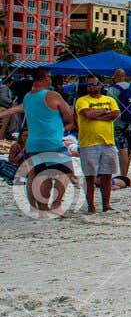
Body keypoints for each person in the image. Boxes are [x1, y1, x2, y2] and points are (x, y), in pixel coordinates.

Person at [1, 69, 76, 216]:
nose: (51, 80)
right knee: (67, 173)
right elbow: (69, 117)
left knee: (42, 176)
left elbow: (12, 110)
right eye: (49, 77)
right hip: (52, 143)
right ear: (44, 78)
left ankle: (42, 209)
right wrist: (61, 129)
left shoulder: (28, 97)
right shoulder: (52, 95)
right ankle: (56, 204)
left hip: (33, 144)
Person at [73, 75, 121, 213]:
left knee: (107, 175)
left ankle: (106, 204)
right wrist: (105, 112)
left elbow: (116, 114)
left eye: (93, 84)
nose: (90, 87)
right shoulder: (82, 100)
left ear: (100, 85)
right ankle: (91, 206)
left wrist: (98, 114)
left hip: (107, 141)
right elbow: (87, 114)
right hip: (88, 142)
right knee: (90, 177)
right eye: (88, 85)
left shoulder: (109, 99)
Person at [110, 67, 131, 188]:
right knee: (129, 148)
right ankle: (126, 174)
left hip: (118, 122)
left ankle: (123, 176)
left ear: (116, 77)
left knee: (121, 148)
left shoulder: (112, 89)